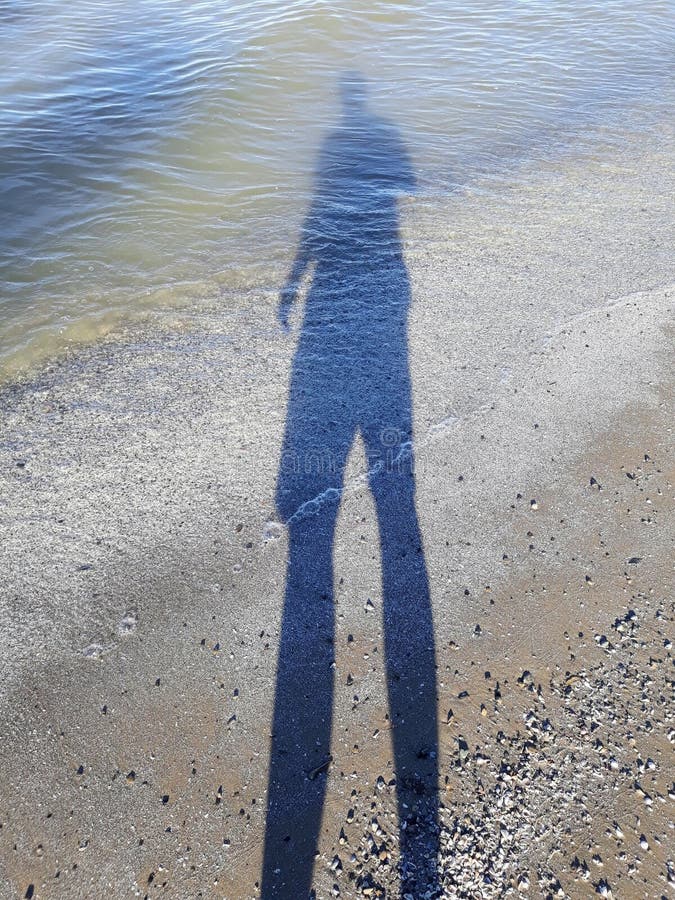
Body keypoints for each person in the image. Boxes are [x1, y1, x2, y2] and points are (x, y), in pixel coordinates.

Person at [262, 72, 439, 898]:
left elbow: (315, 213)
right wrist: (377, 186)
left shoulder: (335, 143)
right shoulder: (372, 137)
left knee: (336, 488)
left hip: (348, 296)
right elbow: (410, 185)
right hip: (384, 291)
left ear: (340, 102)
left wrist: (295, 279)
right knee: (391, 480)